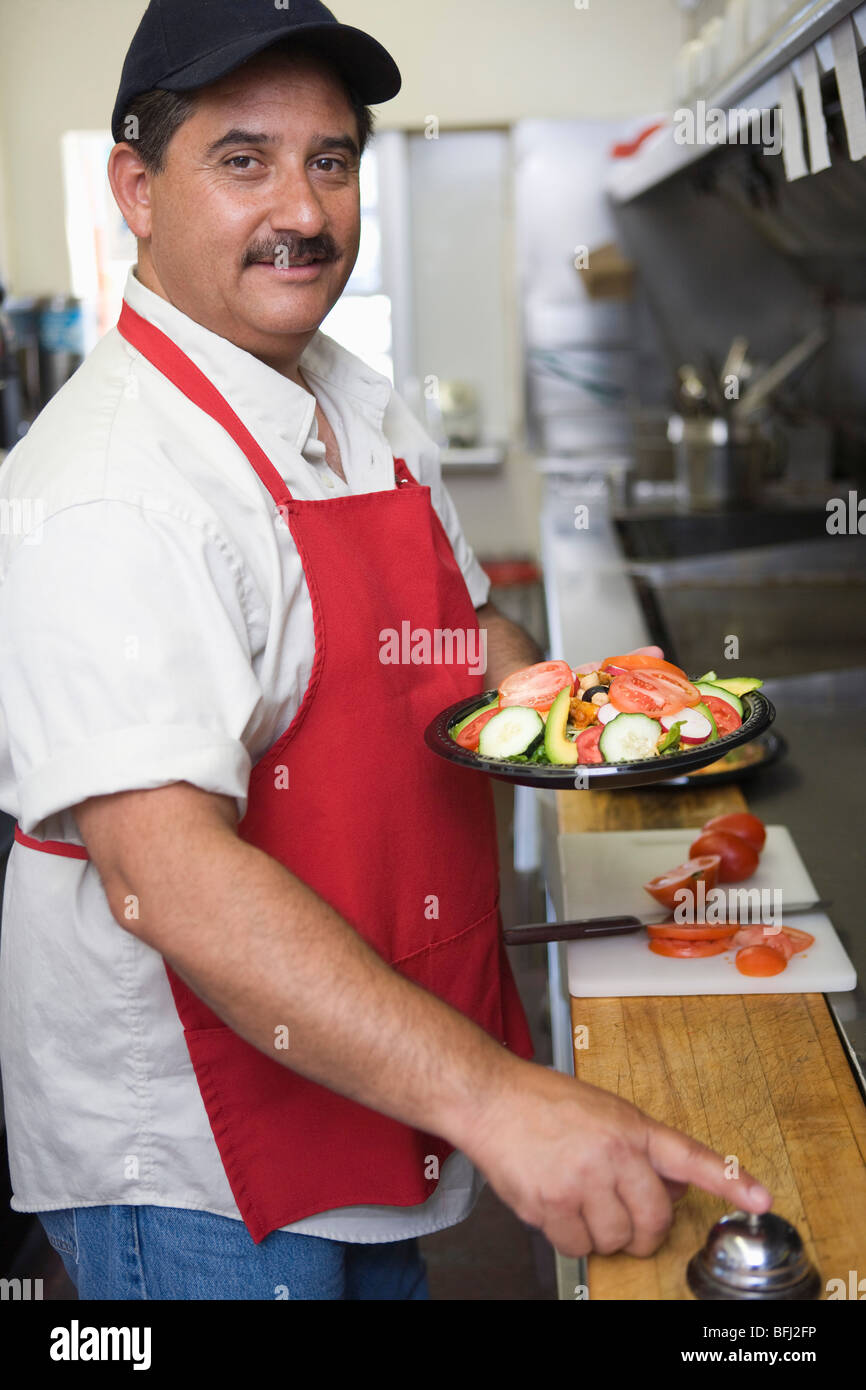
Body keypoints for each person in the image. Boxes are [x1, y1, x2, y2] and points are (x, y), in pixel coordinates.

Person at [0, 0, 772, 1301]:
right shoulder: (106, 485)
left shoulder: (354, 391)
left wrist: (610, 721)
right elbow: (167, 879)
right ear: (138, 187)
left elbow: (468, 642)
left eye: (333, 160)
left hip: (370, 1071)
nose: (302, 208)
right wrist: (498, 1099)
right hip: (200, 1169)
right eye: (243, 159)